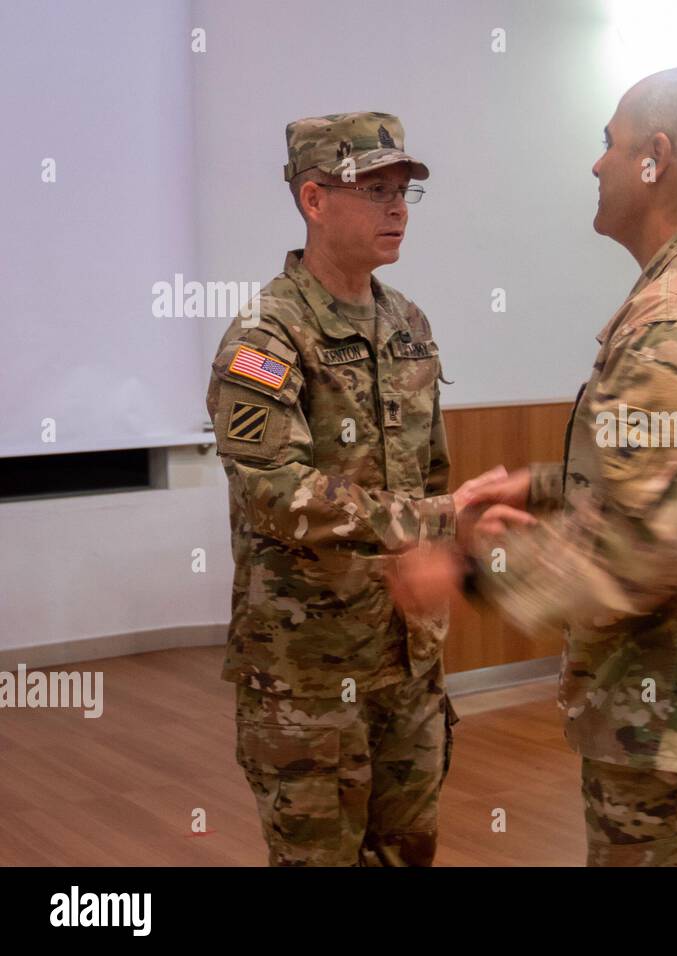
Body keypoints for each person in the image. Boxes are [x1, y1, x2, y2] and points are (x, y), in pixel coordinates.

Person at [391, 67, 677, 867]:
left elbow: (634, 553)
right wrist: (544, 486)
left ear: (655, 158)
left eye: (610, 144)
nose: (598, 165)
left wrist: (465, 567)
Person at [206, 111, 505, 866]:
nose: (398, 208)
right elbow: (278, 494)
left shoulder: (407, 323)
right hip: (308, 674)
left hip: (407, 661)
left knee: (406, 853)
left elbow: (430, 467)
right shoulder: (265, 337)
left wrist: (447, 542)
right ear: (313, 199)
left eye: (403, 190)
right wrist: (438, 519)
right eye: (374, 189)